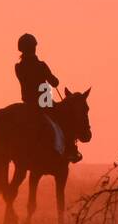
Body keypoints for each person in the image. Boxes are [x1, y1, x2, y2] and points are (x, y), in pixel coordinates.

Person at [15, 33, 82, 163]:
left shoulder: (18, 67)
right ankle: (70, 150)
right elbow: (54, 82)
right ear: (33, 47)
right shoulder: (41, 65)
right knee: (63, 119)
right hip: (44, 102)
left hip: (27, 103)